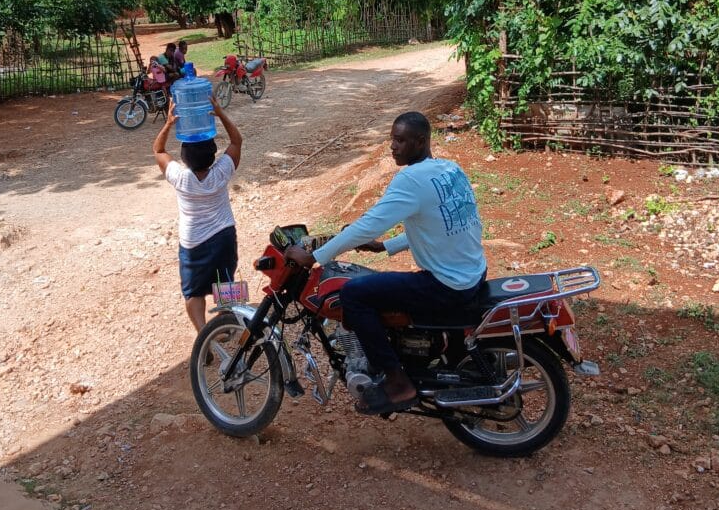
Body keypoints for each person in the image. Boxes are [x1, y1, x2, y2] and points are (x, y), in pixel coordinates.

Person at [286, 111, 486, 416]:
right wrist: (384, 247)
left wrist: (314, 257)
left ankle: (397, 382)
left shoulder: (410, 179)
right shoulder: (448, 169)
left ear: (420, 141)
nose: (392, 146)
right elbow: (440, 225)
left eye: (400, 140)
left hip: (448, 285)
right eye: (392, 138)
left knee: (354, 294)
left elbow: (368, 225)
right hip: (473, 274)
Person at [153, 97, 242, 332]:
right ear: (214, 154)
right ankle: (227, 326)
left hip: (193, 242)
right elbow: (237, 141)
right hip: (223, 236)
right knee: (226, 281)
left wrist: (170, 123)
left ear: (184, 158)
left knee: (193, 291)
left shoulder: (180, 177)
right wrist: (220, 113)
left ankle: (203, 335)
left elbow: (158, 149)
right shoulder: (221, 172)